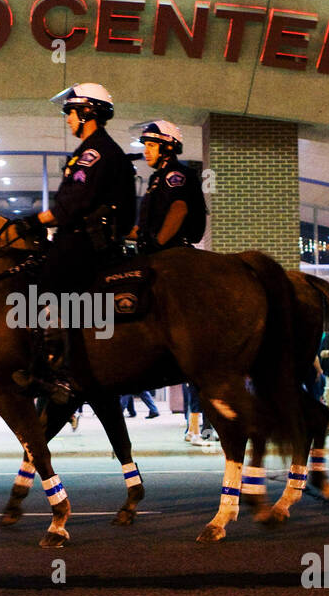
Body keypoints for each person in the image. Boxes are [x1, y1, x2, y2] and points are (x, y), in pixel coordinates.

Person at [12, 83, 136, 403]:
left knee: (36, 290)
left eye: (71, 112)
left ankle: (55, 373)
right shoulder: (96, 150)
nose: (68, 119)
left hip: (84, 241)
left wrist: (30, 222)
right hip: (86, 238)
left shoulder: (94, 153)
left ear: (88, 112)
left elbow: (73, 206)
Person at [127, 120, 207, 252]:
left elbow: (179, 209)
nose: (146, 151)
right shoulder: (159, 177)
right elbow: (145, 230)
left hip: (172, 252)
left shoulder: (174, 174)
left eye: (151, 145)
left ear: (167, 147)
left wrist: (157, 244)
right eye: (146, 146)